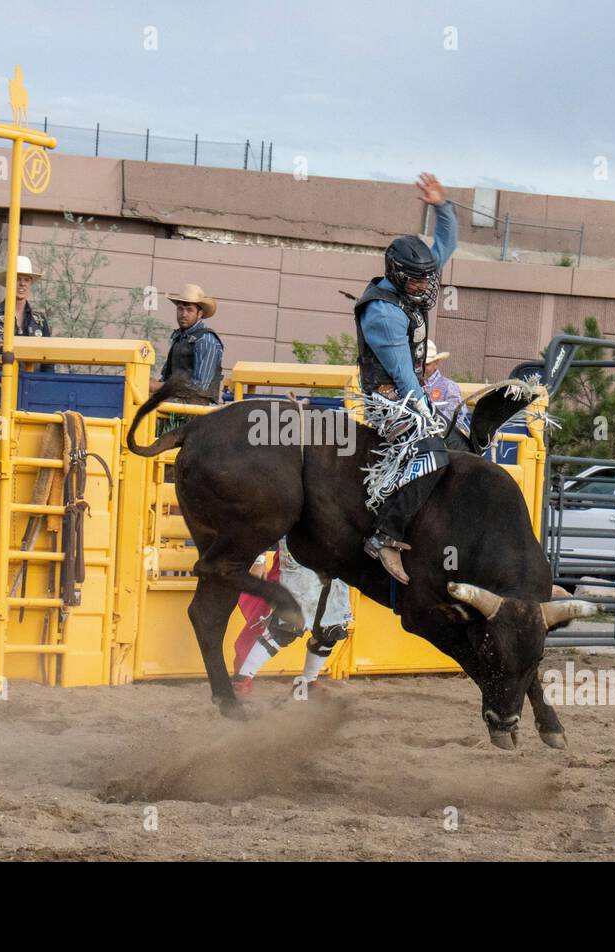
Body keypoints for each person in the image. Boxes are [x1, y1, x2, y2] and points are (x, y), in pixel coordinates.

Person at [353, 172, 457, 583]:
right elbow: (402, 375)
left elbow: (446, 244)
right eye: (418, 279)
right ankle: (384, 535)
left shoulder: (409, 285)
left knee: (461, 445)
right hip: (387, 400)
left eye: (428, 277)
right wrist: (426, 412)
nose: (426, 285)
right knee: (432, 451)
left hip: (409, 394)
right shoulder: (382, 313)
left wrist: (441, 206)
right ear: (398, 275)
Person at [231, 537, 353, 697]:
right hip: (299, 550)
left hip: (333, 551)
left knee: (331, 628)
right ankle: (242, 679)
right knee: (286, 625)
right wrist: (259, 559)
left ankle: (308, 682)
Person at [0, 255, 52, 409]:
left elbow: (48, 363)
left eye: (26, 279)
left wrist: (45, 396)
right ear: (8, 281)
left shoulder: (39, 321)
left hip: (32, 396)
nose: (22, 283)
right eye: (17, 278)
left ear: (30, 283)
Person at [152, 284, 224, 402]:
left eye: (189, 309)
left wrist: (159, 387)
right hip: (177, 400)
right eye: (180, 309)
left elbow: (200, 388)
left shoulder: (206, 340)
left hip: (198, 407)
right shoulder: (179, 338)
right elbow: (167, 377)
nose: (184, 314)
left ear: (199, 314)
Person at [424, 339, 469, 429]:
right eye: (418, 363)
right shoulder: (410, 385)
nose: (422, 368)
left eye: (426, 364)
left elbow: (458, 419)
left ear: (436, 363)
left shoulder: (449, 386)